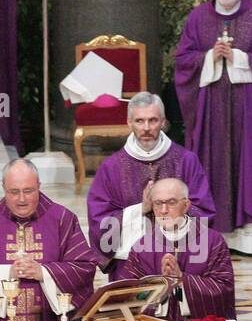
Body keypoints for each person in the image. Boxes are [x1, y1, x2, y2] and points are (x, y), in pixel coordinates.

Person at [173, 0, 252, 254]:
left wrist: (240, 58)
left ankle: (248, 240)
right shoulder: (197, 18)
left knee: (249, 165)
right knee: (210, 166)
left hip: (249, 113)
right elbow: (182, 61)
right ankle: (211, 237)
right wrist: (209, 57)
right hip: (209, 114)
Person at [0, 159, 98, 321]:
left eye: (28, 191)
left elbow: (85, 267)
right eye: (14, 192)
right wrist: (7, 273)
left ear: (39, 185)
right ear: (4, 188)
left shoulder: (63, 219)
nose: (21, 199)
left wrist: (44, 273)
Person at [87, 92, 214, 271]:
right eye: (139, 121)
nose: (146, 128)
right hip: (128, 264)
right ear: (129, 122)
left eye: (153, 120)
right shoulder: (111, 167)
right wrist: (142, 209)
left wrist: (167, 207)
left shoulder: (186, 160)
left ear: (163, 122)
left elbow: (204, 212)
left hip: (178, 260)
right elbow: (99, 222)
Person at [115, 178, 235, 321]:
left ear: (186, 205)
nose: (164, 210)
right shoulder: (141, 246)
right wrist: (161, 285)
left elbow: (223, 289)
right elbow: (128, 294)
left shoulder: (212, 241)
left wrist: (182, 279)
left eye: (171, 203)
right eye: (158, 203)